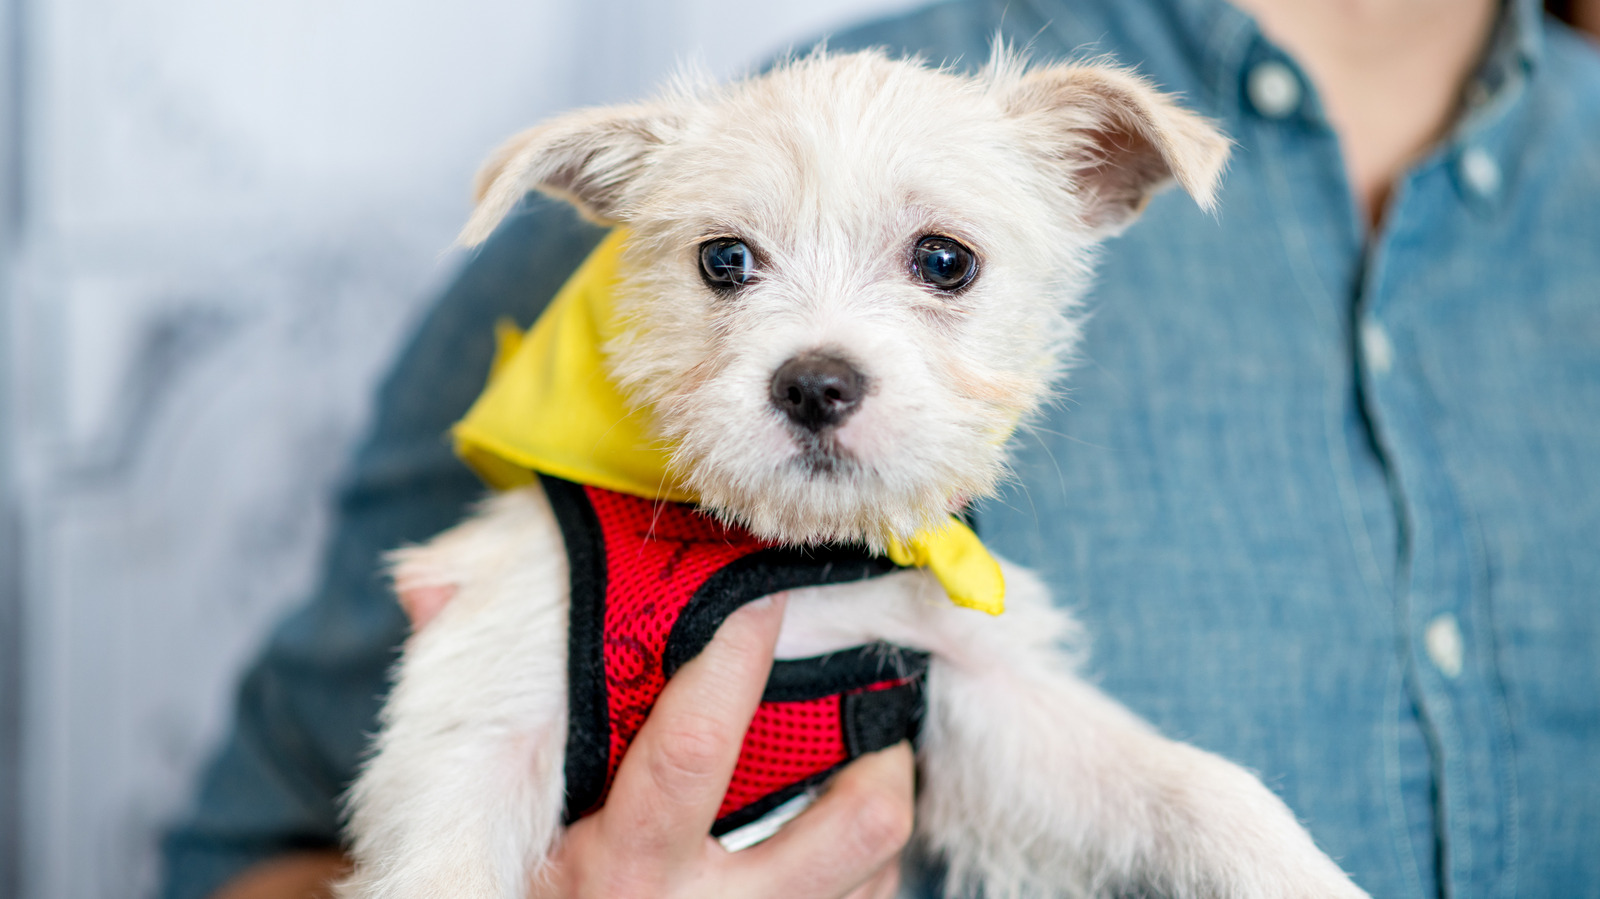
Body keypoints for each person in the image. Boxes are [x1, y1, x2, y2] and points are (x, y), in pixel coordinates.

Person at [161, 0, 1600, 896]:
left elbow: (1023, 733)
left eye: (941, 265)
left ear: (1107, 184)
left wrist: (1230, 837)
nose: (821, 358)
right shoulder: (616, 332)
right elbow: (246, 855)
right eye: (729, 265)